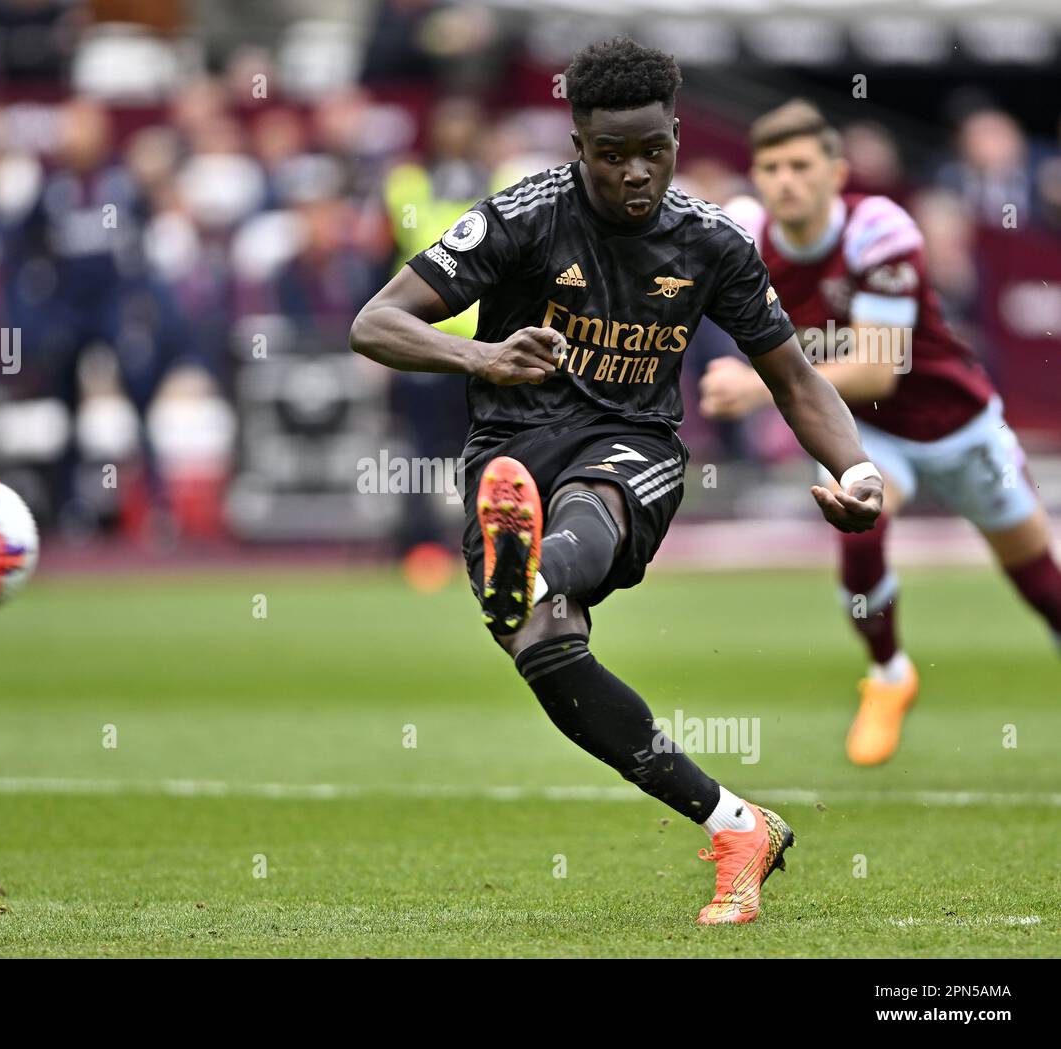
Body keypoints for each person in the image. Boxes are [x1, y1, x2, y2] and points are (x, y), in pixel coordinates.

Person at [351, 40, 883, 924]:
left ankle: (534, 565)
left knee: (585, 510)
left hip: (633, 443)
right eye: (611, 154)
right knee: (547, 654)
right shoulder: (521, 219)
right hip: (511, 446)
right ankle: (736, 824)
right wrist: (485, 353)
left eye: (653, 151)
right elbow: (378, 321)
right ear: (577, 146)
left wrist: (856, 470)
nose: (635, 172)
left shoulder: (712, 241)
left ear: (676, 136)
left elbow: (793, 375)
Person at [699, 99, 1061, 766]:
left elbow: (880, 368)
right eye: (771, 167)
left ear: (836, 173)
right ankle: (890, 674)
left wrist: (751, 385)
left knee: (1041, 583)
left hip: (954, 422)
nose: (786, 180)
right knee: (858, 521)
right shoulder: (744, 230)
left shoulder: (879, 229)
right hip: (860, 432)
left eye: (801, 165)